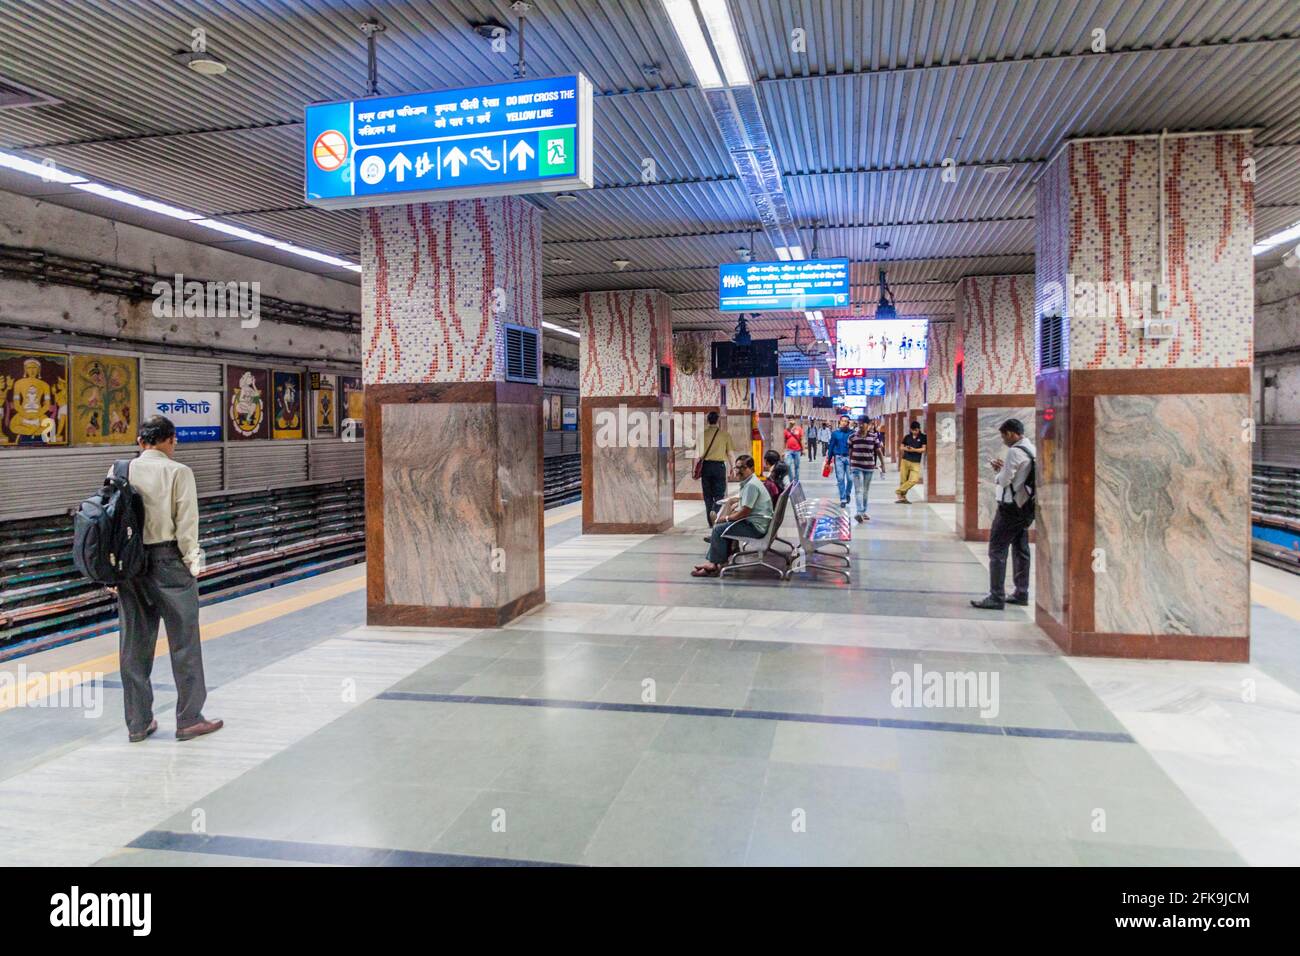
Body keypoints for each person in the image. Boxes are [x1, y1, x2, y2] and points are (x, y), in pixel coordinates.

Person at [111, 415, 223, 743]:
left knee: (133, 645)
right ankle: (189, 719)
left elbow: (112, 521)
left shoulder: (119, 470)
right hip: (167, 561)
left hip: (130, 566)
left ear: (140, 442)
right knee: (184, 642)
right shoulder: (178, 472)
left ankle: (138, 723)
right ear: (170, 440)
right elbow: (186, 524)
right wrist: (193, 564)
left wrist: (113, 567)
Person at [971, 419, 1037, 610]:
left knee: (997, 550)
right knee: (1021, 549)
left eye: (1003, 436)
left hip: (1010, 508)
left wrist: (998, 471)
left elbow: (1004, 480)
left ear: (1011, 434)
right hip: (1025, 507)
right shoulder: (1032, 449)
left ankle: (996, 596)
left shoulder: (1015, 452)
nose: (1003, 440)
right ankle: (1021, 591)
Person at [692, 455, 773, 577]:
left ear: (751, 468)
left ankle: (713, 564)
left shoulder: (751, 485)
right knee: (723, 526)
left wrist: (727, 518)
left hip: (755, 527)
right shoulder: (751, 482)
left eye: (743, 468)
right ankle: (721, 558)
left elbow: (745, 512)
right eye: (737, 467)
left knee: (719, 528)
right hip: (756, 523)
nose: (738, 471)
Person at [696, 410, 735, 526]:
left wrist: (694, 470)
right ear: (718, 421)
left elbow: (697, 456)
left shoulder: (702, 435)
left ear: (708, 421)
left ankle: (710, 521)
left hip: (706, 467)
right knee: (719, 493)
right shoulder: (725, 435)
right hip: (719, 466)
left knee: (707, 495)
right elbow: (730, 453)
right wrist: (733, 467)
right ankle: (716, 511)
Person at [848, 416, 883, 523]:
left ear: (868, 424)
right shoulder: (852, 437)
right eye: (859, 423)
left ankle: (863, 512)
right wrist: (850, 464)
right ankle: (859, 512)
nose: (861, 425)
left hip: (869, 467)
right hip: (856, 466)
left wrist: (883, 464)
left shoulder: (873, 437)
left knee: (865, 491)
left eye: (863, 423)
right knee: (858, 489)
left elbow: (878, 451)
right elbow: (850, 452)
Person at [825, 415, 855, 508]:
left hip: (849, 458)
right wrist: (828, 461)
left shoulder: (852, 433)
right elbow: (831, 447)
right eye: (843, 421)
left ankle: (847, 493)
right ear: (840, 422)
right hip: (838, 458)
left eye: (847, 421)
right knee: (840, 479)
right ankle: (843, 499)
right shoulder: (835, 434)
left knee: (850, 479)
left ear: (849, 423)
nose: (845, 423)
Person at [895, 420, 927, 503]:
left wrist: (914, 450)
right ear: (910, 429)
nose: (915, 432)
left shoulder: (923, 437)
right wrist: (907, 448)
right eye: (913, 430)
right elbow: (901, 447)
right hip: (905, 460)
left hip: (915, 461)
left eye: (916, 430)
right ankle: (902, 498)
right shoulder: (907, 437)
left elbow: (923, 449)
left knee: (914, 480)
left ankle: (898, 491)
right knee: (903, 480)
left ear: (919, 429)